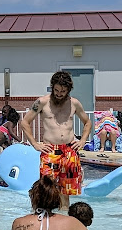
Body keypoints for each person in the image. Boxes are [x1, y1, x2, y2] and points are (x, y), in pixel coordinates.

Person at [20, 71, 92, 210]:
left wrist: (82, 141)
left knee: (66, 191)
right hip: (50, 150)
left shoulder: (74, 104)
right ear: (52, 87)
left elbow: (87, 123)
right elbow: (25, 122)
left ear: (68, 90)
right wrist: (35, 144)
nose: (59, 93)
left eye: (63, 91)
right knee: (46, 188)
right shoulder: (42, 102)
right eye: (56, 90)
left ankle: (63, 219)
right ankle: (41, 217)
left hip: (69, 150)